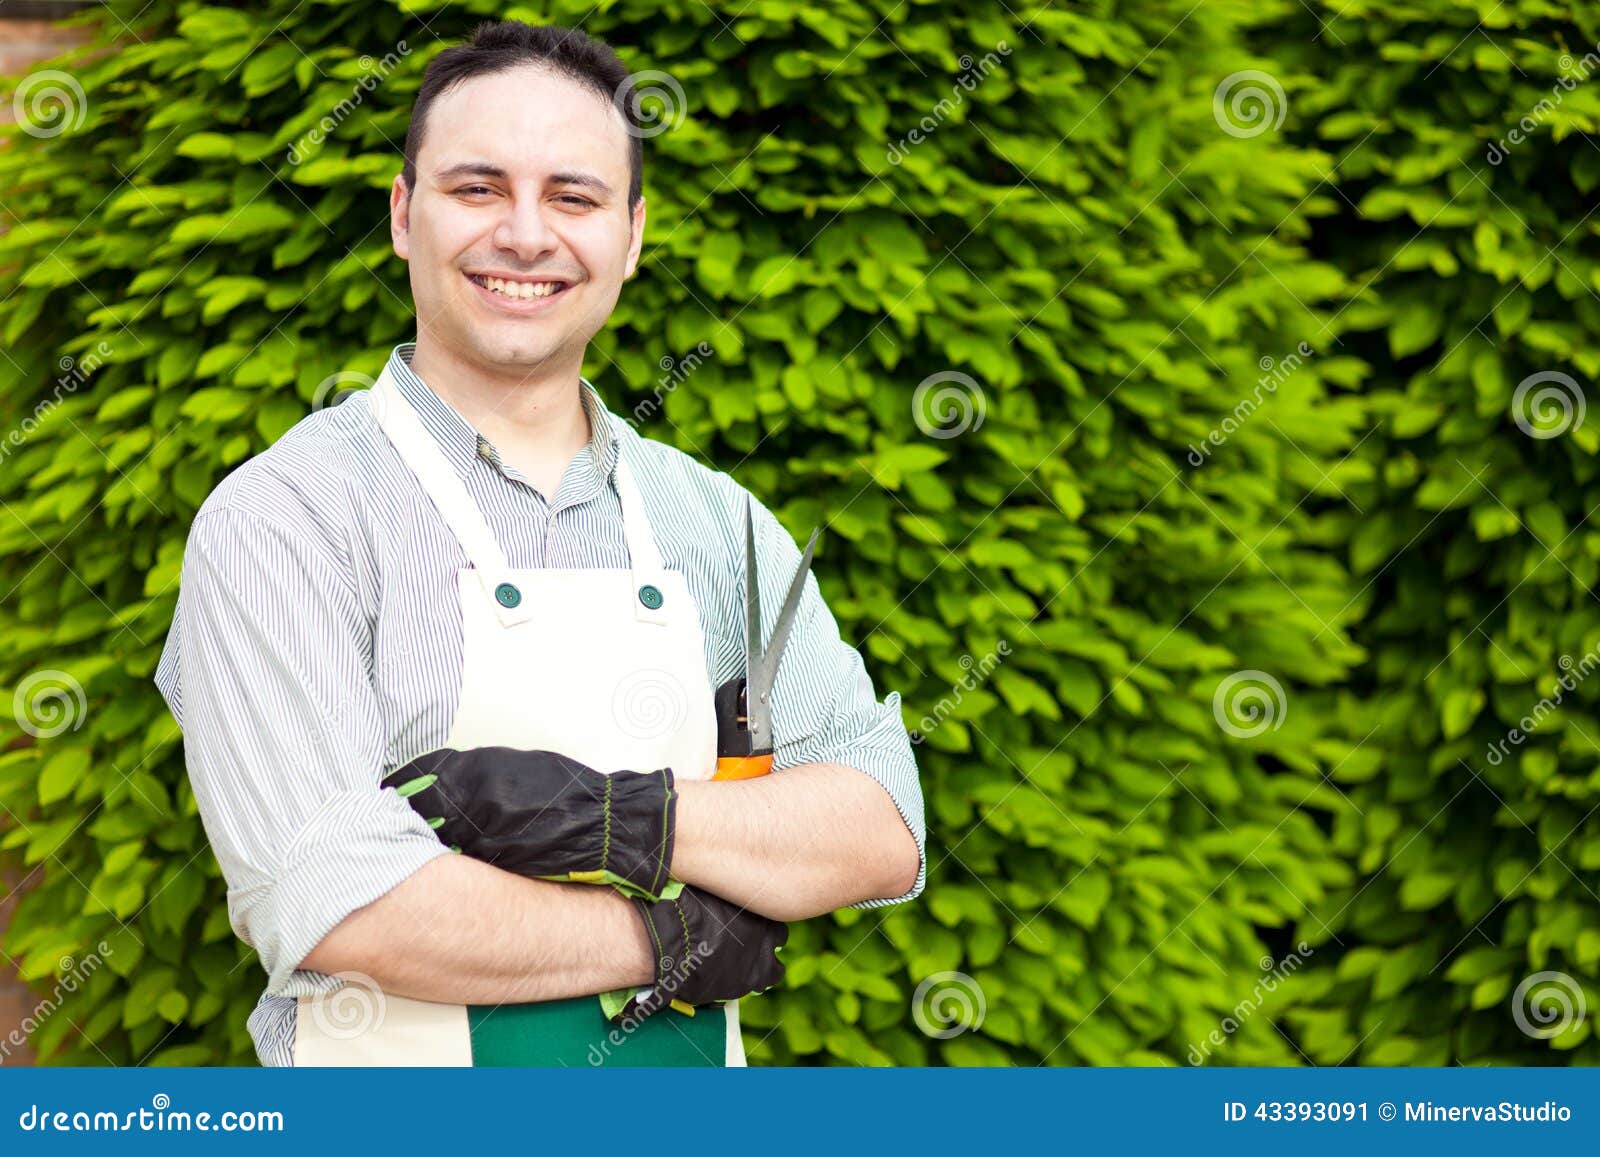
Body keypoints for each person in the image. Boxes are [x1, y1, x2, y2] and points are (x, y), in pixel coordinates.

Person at [152, 19, 925, 1067]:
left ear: (632, 236)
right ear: (400, 214)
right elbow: (339, 902)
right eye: (476, 189)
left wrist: (628, 820)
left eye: (573, 196)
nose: (525, 234)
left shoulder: (715, 521)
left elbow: (879, 819)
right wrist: (668, 934)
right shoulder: (286, 518)